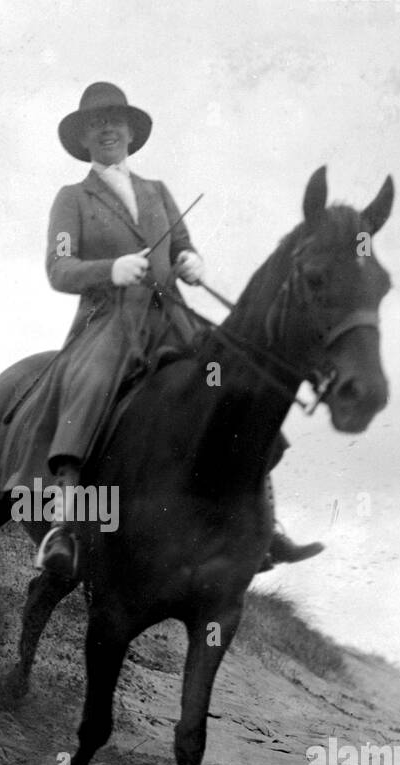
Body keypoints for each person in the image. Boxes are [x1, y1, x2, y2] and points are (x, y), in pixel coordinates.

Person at [33, 83, 321, 577]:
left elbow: (182, 243)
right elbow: (59, 269)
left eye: (114, 121)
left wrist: (189, 260)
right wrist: (110, 269)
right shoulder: (71, 199)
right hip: (109, 319)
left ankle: (264, 521)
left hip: (172, 316)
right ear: (83, 140)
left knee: (233, 378)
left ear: (130, 132)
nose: (107, 130)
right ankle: (63, 514)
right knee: (95, 378)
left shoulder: (156, 191)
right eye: (95, 124)